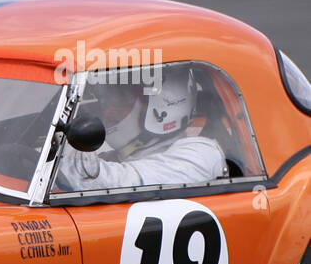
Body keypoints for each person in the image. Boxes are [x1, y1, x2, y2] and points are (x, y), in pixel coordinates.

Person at [57, 65, 227, 191]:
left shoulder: (201, 155)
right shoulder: (118, 158)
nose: (107, 111)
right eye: (104, 100)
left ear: (162, 106)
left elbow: (106, 181)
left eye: (119, 99)